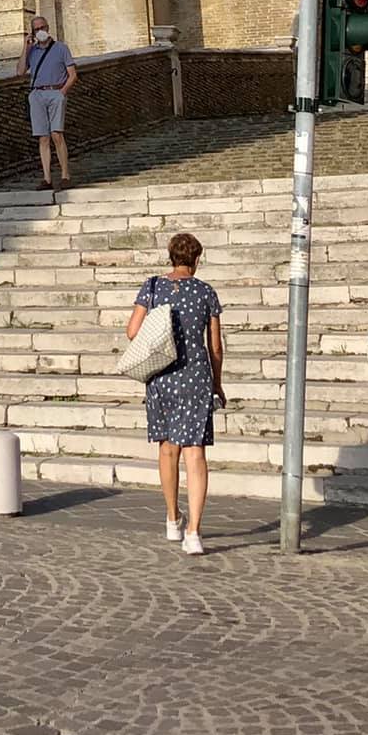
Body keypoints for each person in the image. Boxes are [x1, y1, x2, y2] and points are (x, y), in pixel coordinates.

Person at [125, 231, 224, 556]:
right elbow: (216, 346)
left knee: (168, 448)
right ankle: (193, 532)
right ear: (196, 259)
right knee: (195, 453)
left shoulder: (152, 286)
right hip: (196, 376)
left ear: (171, 256)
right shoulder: (206, 292)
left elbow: (132, 331)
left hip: (162, 376)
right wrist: (217, 383)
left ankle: (172, 518)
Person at [15, 16, 77, 190]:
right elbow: (20, 71)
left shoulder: (61, 48)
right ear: (32, 32)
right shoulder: (32, 51)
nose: (40, 30)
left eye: (43, 27)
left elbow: (72, 74)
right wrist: (25, 47)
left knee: (57, 134)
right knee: (43, 137)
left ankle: (65, 175)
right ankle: (47, 178)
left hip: (55, 91)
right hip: (37, 94)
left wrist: (62, 92)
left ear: (48, 28)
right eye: (36, 29)